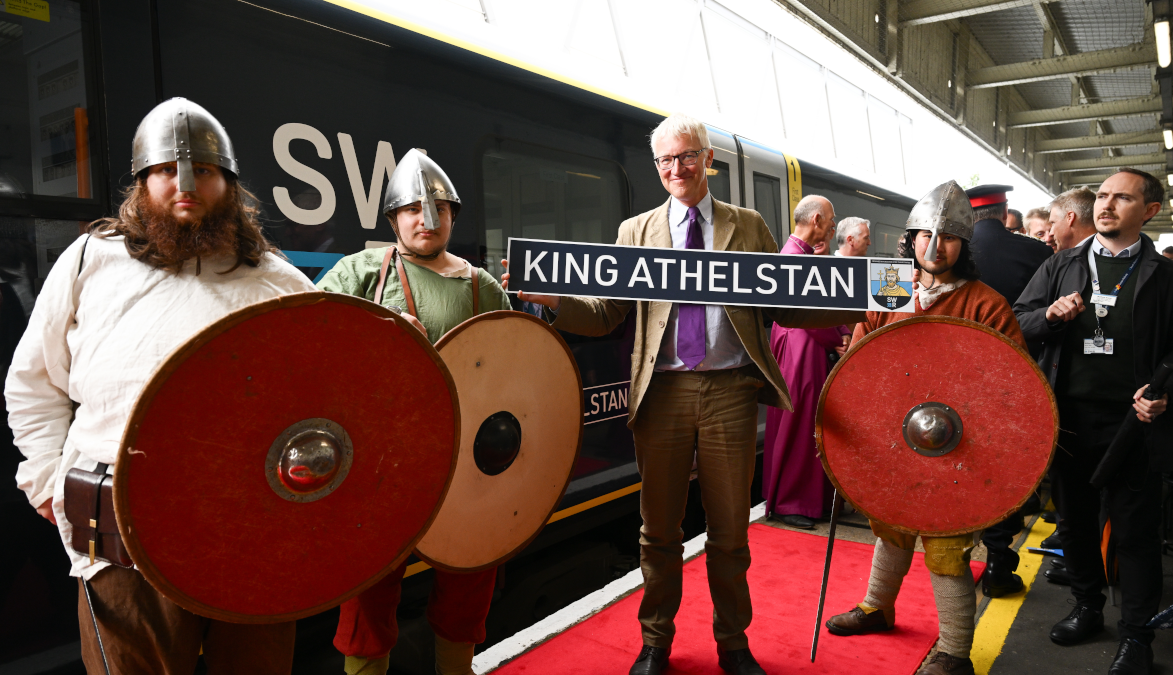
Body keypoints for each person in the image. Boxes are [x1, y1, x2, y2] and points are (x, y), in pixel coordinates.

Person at [502, 113, 861, 675]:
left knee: (730, 532)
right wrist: (551, 301)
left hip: (729, 392)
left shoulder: (748, 226)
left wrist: (856, 299)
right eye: (666, 160)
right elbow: (607, 315)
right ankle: (655, 642)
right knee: (658, 531)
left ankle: (733, 644)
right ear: (657, 168)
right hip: (662, 394)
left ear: (708, 159)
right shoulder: (634, 232)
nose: (676, 168)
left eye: (686, 156)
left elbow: (781, 305)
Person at [5, 98, 315, 674]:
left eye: (204, 170)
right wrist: (47, 481)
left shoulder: (276, 279)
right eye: (166, 170)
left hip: (254, 534)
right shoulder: (88, 262)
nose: (186, 183)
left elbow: (339, 383)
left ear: (230, 182)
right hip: (123, 542)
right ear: (142, 181)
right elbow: (32, 382)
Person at [317, 149, 511, 675]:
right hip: (380, 462)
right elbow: (312, 343)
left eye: (440, 210)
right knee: (367, 588)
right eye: (413, 211)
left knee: (468, 580)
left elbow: (513, 373)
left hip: (463, 459)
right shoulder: (359, 271)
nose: (427, 220)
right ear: (393, 220)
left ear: (453, 217)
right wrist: (380, 337)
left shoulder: (482, 286)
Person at [825, 180, 1024, 675]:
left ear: (964, 244)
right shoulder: (889, 286)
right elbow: (859, 356)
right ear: (909, 239)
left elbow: (1012, 388)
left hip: (957, 445)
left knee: (945, 543)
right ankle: (877, 606)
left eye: (950, 237)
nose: (936, 247)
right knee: (889, 523)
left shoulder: (986, 305)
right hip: (893, 438)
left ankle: (956, 652)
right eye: (924, 236)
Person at [1013, 168, 1173, 675]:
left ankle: (1137, 636)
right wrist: (1050, 315)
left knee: (1135, 533)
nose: (1107, 205)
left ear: (1150, 211)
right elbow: (1018, 319)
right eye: (1102, 196)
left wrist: (1163, 391)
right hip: (1069, 418)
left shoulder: (1166, 277)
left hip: (1135, 423)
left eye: (1123, 198)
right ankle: (1088, 607)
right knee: (1073, 522)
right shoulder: (1062, 264)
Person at [962, 185, 1051, 598]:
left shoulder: (948, 251)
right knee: (1003, 468)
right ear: (1003, 211)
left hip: (951, 379)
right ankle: (998, 563)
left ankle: (955, 554)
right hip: (1012, 379)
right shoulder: (1035, 253)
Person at [762, 196, 850, 530]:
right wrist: (839, 338)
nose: (832, 224)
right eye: (829, 218)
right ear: (815, 219)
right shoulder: (795, 259)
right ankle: (789, 501)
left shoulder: (801, 254)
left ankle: (801, 499)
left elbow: (823, 306)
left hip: (805, 343)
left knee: (801, 423)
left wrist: (840, 332)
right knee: (797, 424)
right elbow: (808, 312)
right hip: (802, 345)